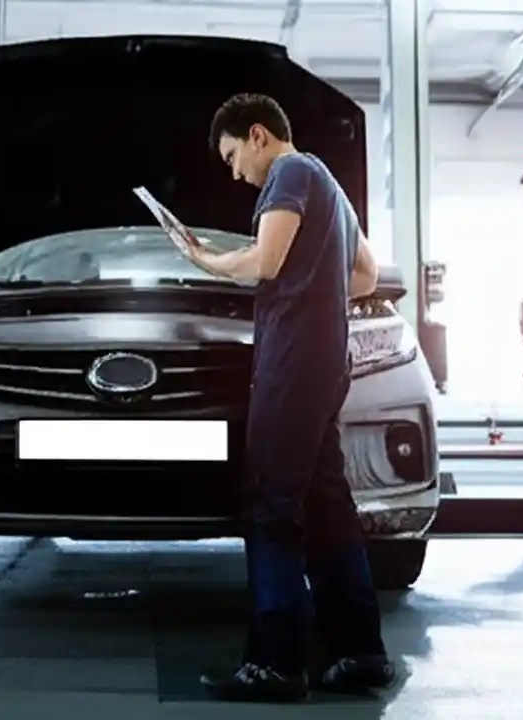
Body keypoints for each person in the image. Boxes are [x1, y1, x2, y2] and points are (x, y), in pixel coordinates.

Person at [185, 93, 396, 703]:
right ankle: (360, 653)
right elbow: (365, 275)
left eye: (232, 157)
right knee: (327, 505)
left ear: (257, 136)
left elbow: (266, 261)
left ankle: (275, 664)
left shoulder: (290, 172)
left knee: (271, 504)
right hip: (326, 361)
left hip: (293, 363)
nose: (234, 172)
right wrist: (316, 288)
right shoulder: (331, 187)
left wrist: (209, 260)